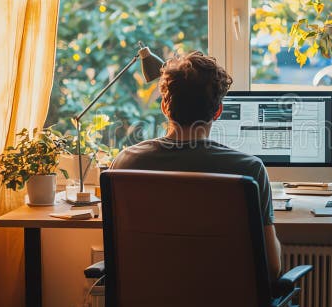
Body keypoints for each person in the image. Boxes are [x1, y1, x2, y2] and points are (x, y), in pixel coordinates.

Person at [111, 51, 282, 279]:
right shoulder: (249, 171)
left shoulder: (126, 163)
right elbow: (272, 267)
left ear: (164, 106)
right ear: (218, 111)